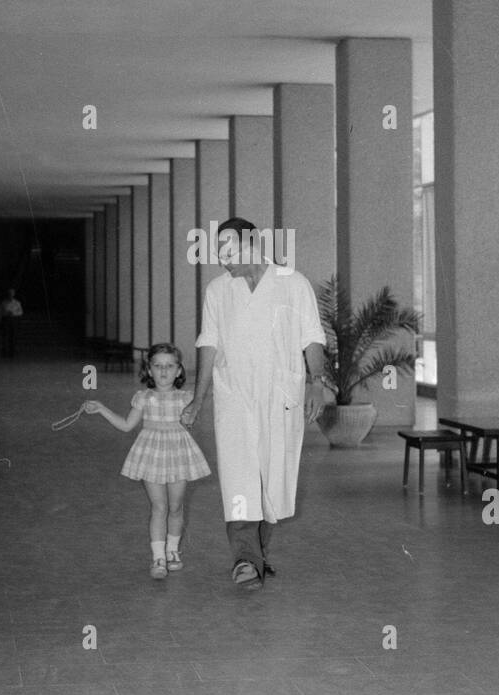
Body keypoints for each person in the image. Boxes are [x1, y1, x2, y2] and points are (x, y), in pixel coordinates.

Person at [181, 217, 326, 588]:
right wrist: (198, 399)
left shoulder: (293, 283)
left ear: (253, 242)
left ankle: (258, 554)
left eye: (229, 246)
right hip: (235, 396)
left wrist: (316, 384)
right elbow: (208, 344)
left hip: (282, 395)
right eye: (219, 249)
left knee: (273, 477)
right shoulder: (218, 290)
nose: (222, 256)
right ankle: (245, 558)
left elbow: (312, 337)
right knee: (238, 474)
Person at [84, 343, 210, 579]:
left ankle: (172, 551)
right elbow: (126, 425)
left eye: (170, 366)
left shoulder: (187, 398)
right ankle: (158, 557)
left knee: (175, 507)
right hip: (150, 455)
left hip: (178, 456)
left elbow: (196, 417)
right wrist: (102, 408)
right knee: (159, 507)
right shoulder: (143, 397)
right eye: (158, 366)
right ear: (149, 370)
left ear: (179, 370)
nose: (164, 371)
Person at [0, 287, 23, 358]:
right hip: (6, 320)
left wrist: (13, 313)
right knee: (5, 336)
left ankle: (12, 352)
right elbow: (0, 312)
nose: (11, 295)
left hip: (13, 320)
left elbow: (20, 312)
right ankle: (4, 352)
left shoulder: (17, 303)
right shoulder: (4, 303)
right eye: (9, 293)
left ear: (14, 294)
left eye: (12, 293)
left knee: (13, 336)